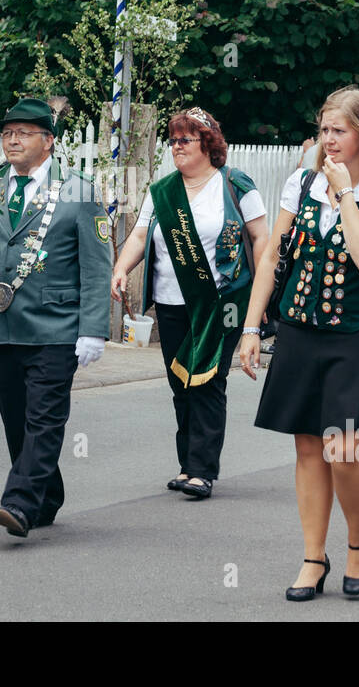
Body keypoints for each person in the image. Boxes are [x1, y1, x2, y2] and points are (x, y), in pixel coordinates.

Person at [240, 87, 359, 601]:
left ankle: (358, 542)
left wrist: (345, 195)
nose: (328, 140)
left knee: (344, 444)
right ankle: (313, 555)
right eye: (323, 130)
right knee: (308, 445)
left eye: (338, 131)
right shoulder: (301, 181)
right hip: (299, 328)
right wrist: (251, 327)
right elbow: (272, 255)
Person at [0, 98, 110, 537]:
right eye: (7, 133)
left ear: (49, 141)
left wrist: (94, 328)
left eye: (23, 133)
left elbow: (97, 265)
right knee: (17, 420)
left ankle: (18, 502)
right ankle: (46, 496)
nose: (12, 140)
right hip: (3, 325)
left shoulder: (78, 189)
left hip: (57, 327)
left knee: (44, 417)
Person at [110, 108, 268, 500]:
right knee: (181, 383)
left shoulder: (235, 184)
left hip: (222, 301)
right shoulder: (162, 191)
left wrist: (263, 293)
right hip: (171, 302)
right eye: (173, 140)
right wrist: (120, 268)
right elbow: (140, 235)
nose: (176, 147)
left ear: (208, 144)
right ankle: (187, 463)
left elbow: (262, 237)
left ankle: (202, 470)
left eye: (185, 140)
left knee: (209, 380)